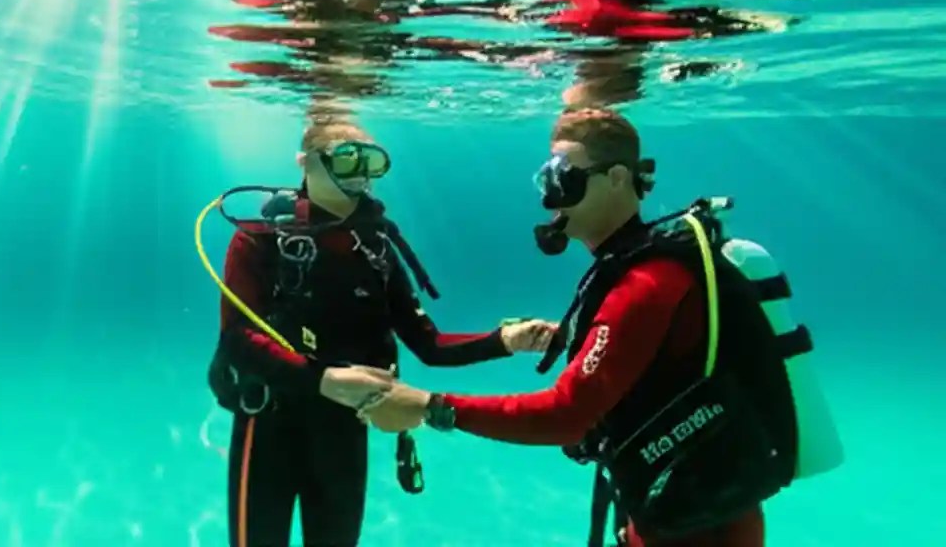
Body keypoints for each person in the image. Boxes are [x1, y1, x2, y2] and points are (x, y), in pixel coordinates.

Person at [358, 107, 843, 547]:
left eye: (564, 178)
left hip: (693, 526)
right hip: (695, 503)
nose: (551, 197)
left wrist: (431, 407)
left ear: (616, 179)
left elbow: (565, 416)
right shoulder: (638, 267)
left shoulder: (646, 282)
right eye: (545, 178)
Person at [206, 117, 557, 547]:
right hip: (269, 425)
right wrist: (323, 378)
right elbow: (239, 340)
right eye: (347, 159)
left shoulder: (374, 249)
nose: (361, 177)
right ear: (306, 163)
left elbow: (429, 344)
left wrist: (505, 340)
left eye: (370, 163)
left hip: (344, 429)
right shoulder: (260, 240)